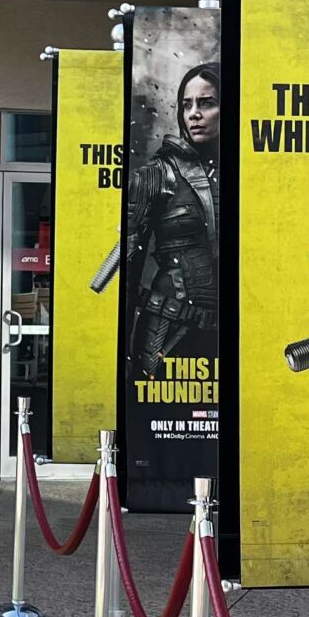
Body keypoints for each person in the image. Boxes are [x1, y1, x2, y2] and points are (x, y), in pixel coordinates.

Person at [122, 61, 220, 382]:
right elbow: (128, 264)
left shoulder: (251, 174)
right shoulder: (158, 172)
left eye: (206, 103)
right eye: (187, 104)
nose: (194, 113)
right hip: (166, 330)